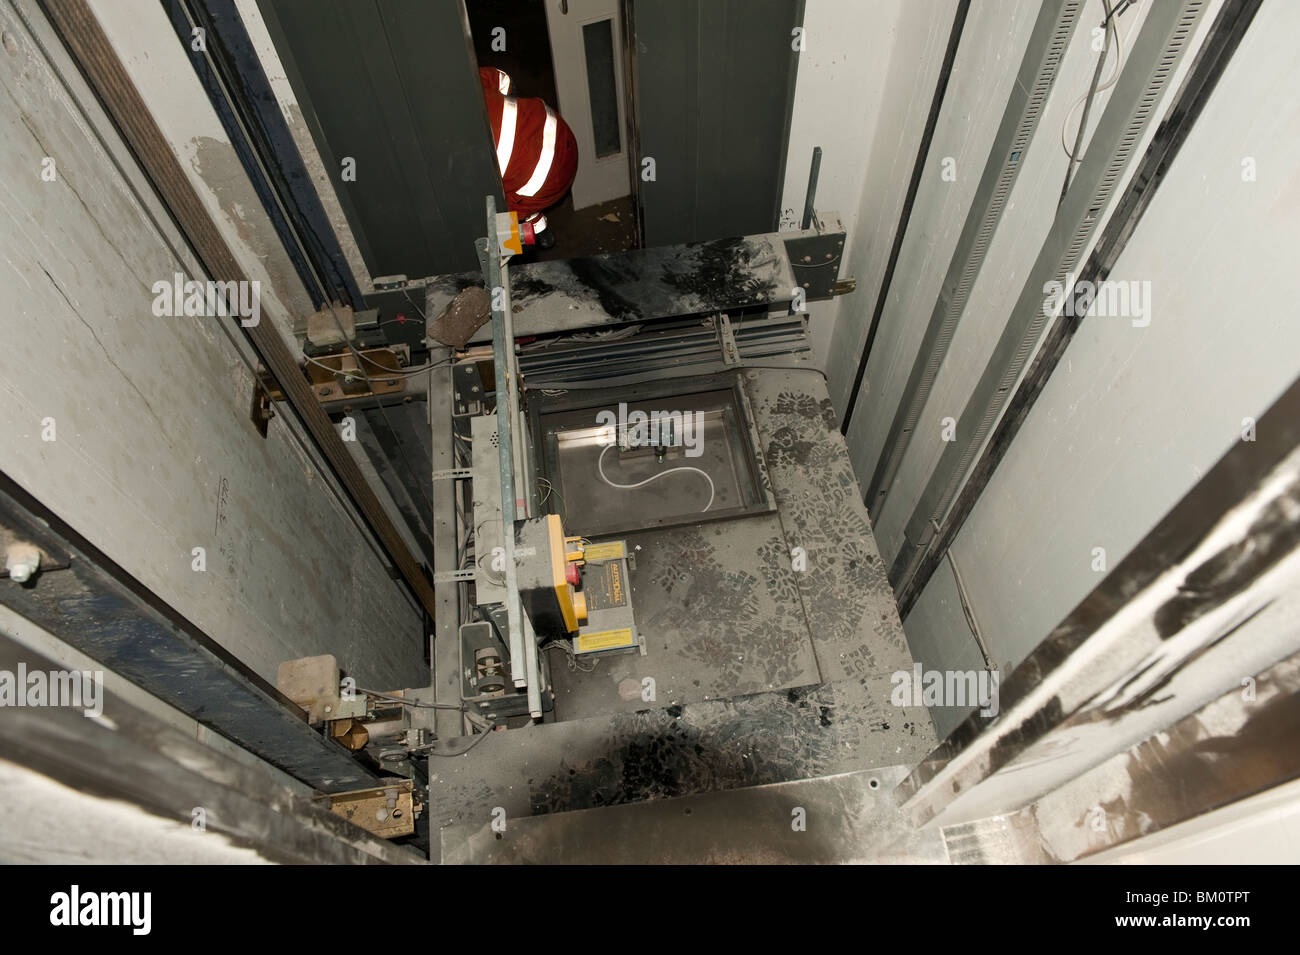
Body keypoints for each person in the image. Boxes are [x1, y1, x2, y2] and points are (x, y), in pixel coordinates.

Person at [478, 67, 578, 250]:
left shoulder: (476, 162)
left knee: (503, 215)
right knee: (518, 187)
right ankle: (539, 228)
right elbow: (503, 79)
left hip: (548, 182)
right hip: (561, 132)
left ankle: (512, 256)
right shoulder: (473, 87)